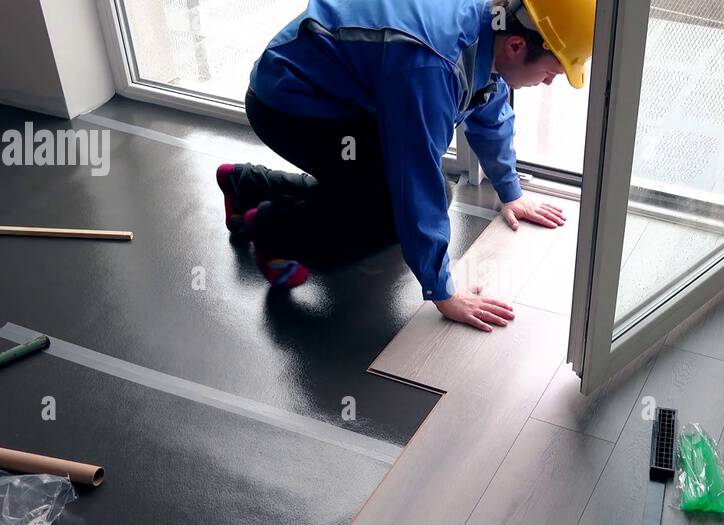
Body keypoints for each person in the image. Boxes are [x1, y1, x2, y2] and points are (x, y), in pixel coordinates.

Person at [216, 0, 596, 332]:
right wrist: (443, 290)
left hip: (330, 90)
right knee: (387, 212)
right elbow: (416, 179)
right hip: (288, 104)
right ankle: (269, 231)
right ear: (517, 45)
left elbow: (490, 107)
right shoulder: (432, 66)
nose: (549, 82)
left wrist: (510, 191)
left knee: (367, 182)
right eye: (553, 71)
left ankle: (247, 184)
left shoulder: (486, 26)